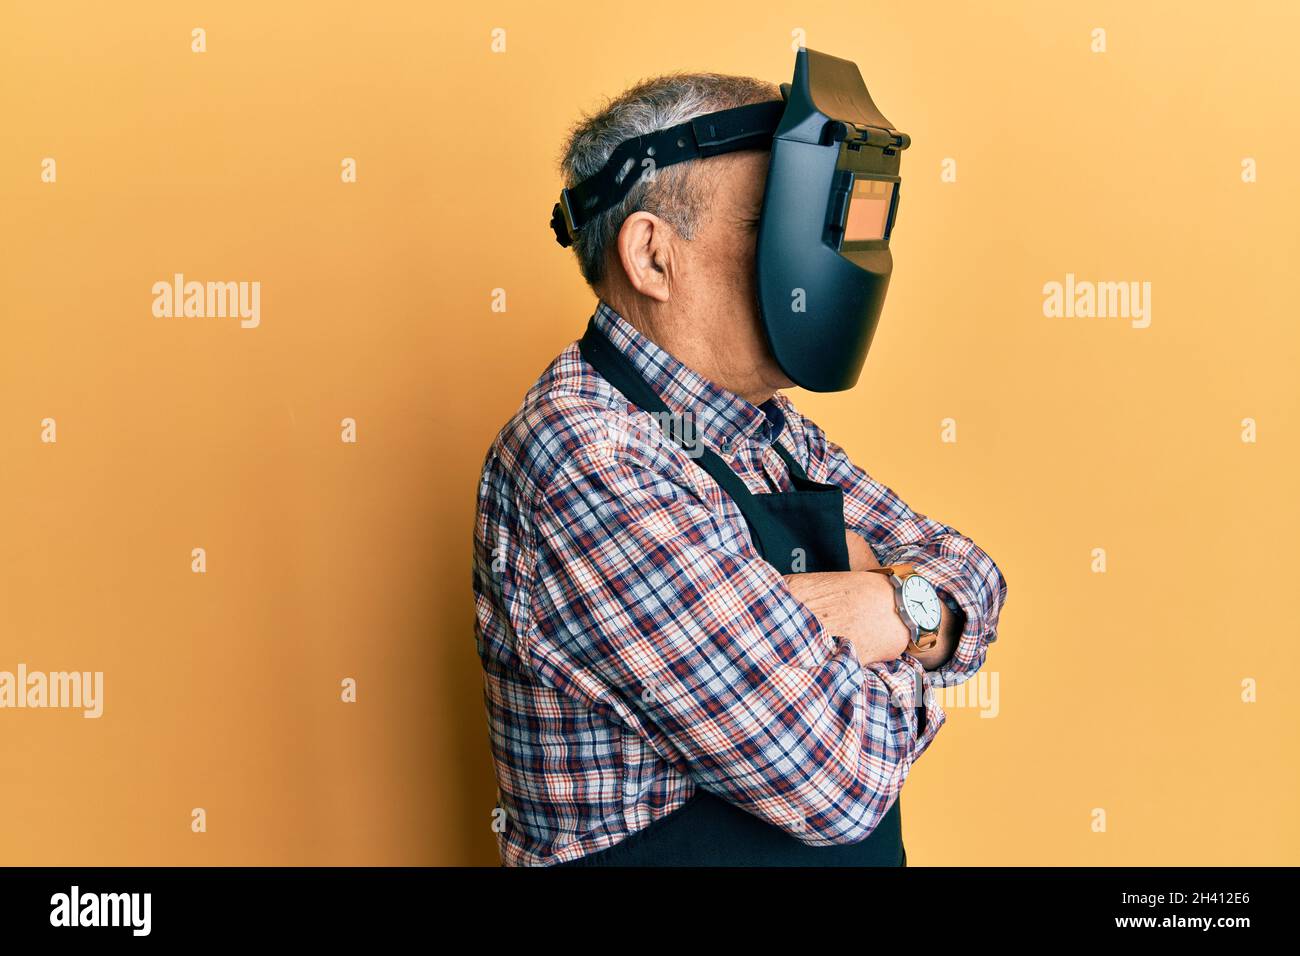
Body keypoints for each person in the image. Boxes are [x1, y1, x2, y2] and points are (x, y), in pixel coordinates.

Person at [472, 64, 1008, 866]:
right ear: (653, 257)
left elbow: (977, 575)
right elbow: (841, 776)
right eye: (770, 228)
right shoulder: (585, 455)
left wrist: (889, 606)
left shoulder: (769, 432)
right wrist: (917, 619)